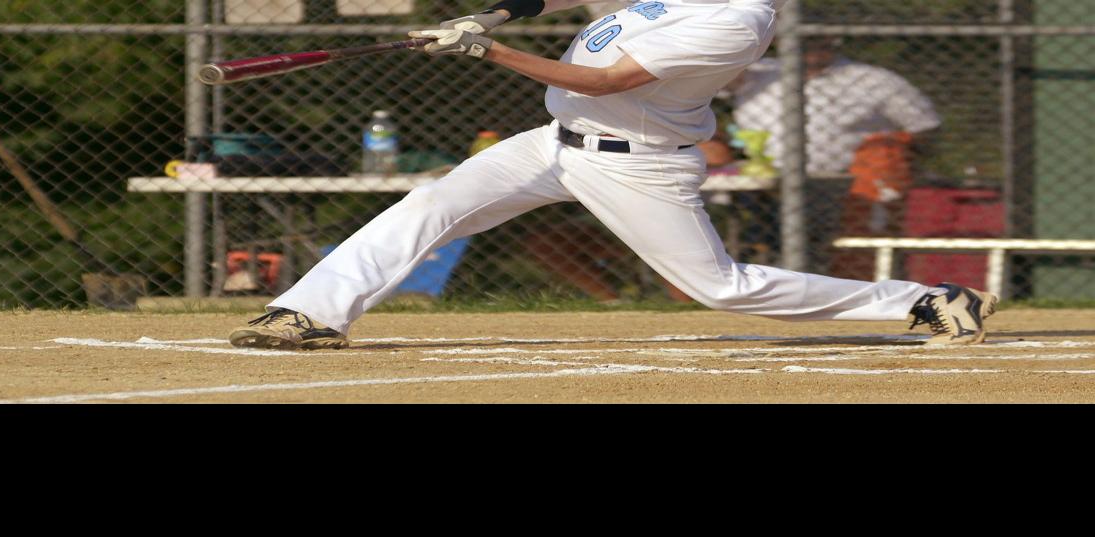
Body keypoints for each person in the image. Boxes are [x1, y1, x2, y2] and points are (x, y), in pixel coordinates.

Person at [228, 0, 997, 350]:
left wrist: (480, 51)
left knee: (722, 287)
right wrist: (500, 13)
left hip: (639, 165)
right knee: (430, 204)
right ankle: (311, 313)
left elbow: (604, 82)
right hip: (553, 142)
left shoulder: (735, 19)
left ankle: (928, 299)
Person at [729, 36, 942, 278]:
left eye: (819, 41)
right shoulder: (757, 73)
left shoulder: (871, 79)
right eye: (802, 41)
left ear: (835, 41)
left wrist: (896, 163)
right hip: (763, 185)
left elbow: (925, 126)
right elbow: (703, 83)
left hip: (845, 185)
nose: (811, 50)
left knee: (843, 239)